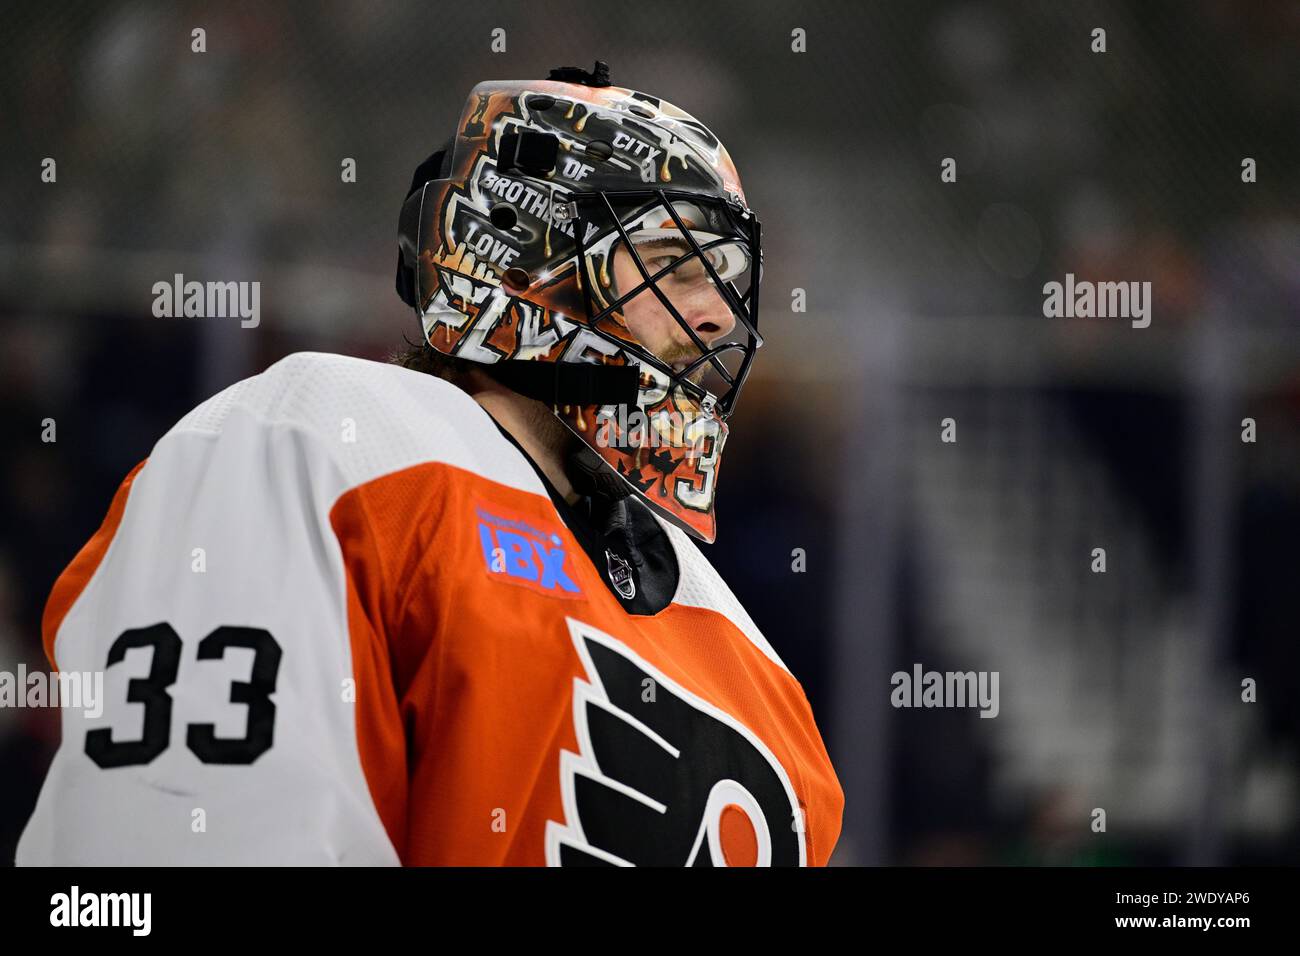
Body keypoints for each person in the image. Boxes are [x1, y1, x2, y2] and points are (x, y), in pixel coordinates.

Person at [18, 62, 843, 866]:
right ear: (523, 258)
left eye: (725, 281)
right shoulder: (329, 440)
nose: (711, 317)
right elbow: (186, 832)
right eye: (672, 264)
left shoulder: (756, 665)